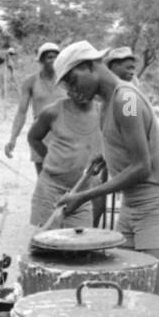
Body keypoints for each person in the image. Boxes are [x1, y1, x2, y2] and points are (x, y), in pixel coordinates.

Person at [52, 41, 159, 296]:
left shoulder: (127, 100)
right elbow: (126, 143)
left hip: (156, 208)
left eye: (71, 80)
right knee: (125, 296)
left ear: (89, 66)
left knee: (153, 300)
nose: (70, 90)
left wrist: (84, 196)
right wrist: (106, 156)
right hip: (131, 207)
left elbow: (142, 167)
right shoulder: (106, 104)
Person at [26, 81, 102, 229]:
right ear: (67, 89)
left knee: (79, 244)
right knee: (46, 243)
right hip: (50, 190)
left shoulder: (103, 113)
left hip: (82, 193)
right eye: (74, 87)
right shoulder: (53, 111)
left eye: (86, 87)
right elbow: (33, 137)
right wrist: (50, 158)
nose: (80, 92)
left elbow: (125, 125)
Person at [4, 42, 62, 166]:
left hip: (63, 134)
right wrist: (13, 138)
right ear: (41, 60)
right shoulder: (31, 82)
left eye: (56, 57)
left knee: (64, 177)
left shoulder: (66, 80)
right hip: (41, 135)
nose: (53, 60)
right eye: (49, 57)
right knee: (43, 177)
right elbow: (21, 112)